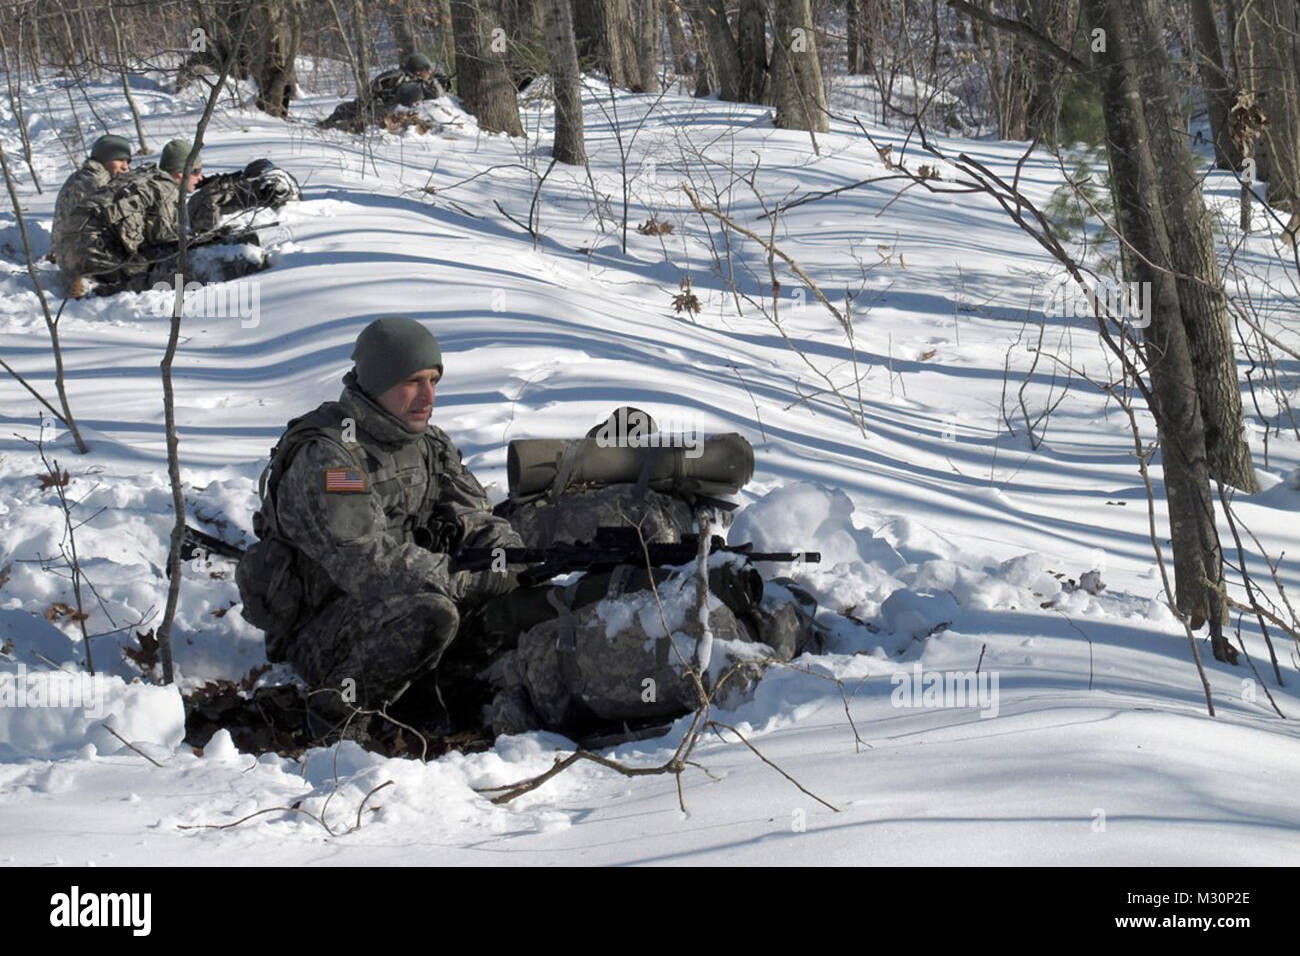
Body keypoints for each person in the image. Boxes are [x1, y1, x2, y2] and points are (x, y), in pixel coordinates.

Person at [236, 317, 522, 739]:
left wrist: (502, 551)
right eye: (412, 382)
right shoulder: (332, 458)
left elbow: (476, 513)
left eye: (433, 380)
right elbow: (368, 564)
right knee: (433, 613)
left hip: (402, 597)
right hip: (325, 625)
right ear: (376, 383)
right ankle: (336, 715)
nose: (428, 397)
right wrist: (464, 579)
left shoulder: (429, 443)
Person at [60, 139, 268, 297]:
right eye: (196, 171)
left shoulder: (144, 179)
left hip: (73, 248)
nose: (201, 177)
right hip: (93, 251)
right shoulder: (166, 189)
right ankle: (100, 288)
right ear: (180, 172)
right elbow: (163, 245)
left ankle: (94, 277)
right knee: (168, 270)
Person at [51, 134, 132, 267]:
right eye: (119, 159)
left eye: (128, 161)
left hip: (72, 256)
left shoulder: (83, 177)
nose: (125, 166)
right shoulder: (95, 183)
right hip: (84, 263)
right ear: (103, 159)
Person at [318, 52, 448, 132]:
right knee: (348, 116)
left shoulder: (413, 79)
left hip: (383, 109)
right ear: (419, 71)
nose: (430, 73)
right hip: (374, 108)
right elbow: (371, 90)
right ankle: (331, 126)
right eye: (428, 70)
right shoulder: (399, 78)